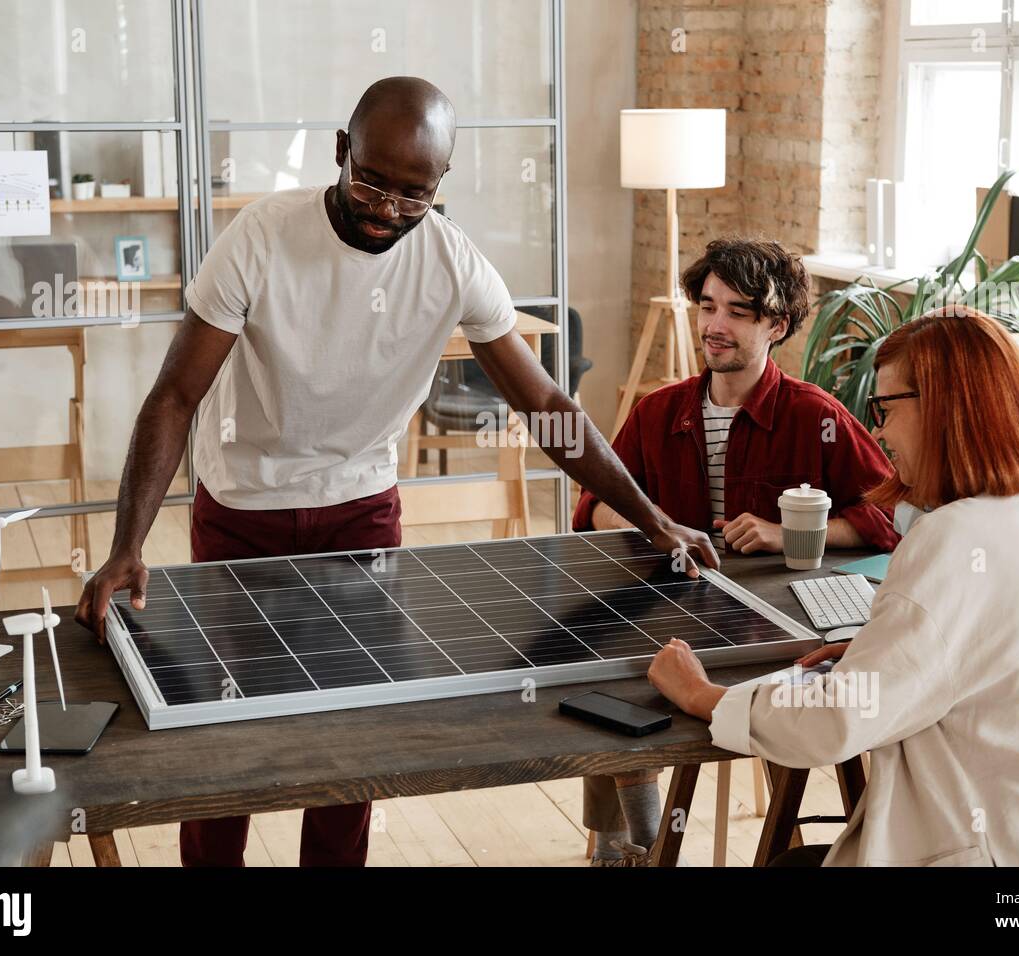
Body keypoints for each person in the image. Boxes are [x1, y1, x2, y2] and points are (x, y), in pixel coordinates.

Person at [74, 76, 716, 867]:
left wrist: (651, 516)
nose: (386, 208)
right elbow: (175, 395)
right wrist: (126, 545)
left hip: (361, 512)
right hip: (244, 507)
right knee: (226, 730)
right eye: (372, 180)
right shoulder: (261, 236)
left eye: (414, 193)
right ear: (341, 152)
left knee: (355, 744)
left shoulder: (453, 263)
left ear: (440, 186)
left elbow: (545, 401)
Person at [648, 305, 1019, 866]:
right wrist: (891, 653)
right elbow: (1004, 645)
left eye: (885, 407)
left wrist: (705, 697)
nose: (877, 430)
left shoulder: (955, 537)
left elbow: (831, 723)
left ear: (944, 407)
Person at [573, 236, 898, 865]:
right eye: (707, 306)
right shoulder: (656, 411)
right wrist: (655, 524)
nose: (715, 326)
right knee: (611, 674)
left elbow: (886, 514)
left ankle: (788, 842)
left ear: (776, 325)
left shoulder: (816, 416)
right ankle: (628, 848)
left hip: (774, 623)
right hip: (666, 610)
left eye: (737, 312)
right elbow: (593, 506)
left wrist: (790, 533)